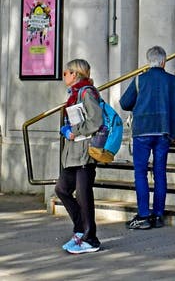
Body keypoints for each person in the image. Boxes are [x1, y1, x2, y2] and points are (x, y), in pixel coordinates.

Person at [120, 45, 175, 230]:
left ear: (148, 60)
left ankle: (143, 215)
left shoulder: (139, 79)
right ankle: (158, 215)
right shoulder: (172, 80)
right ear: (164, 61)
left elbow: (125, 103)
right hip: (164, 130)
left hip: (142, 131)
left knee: (140, 173)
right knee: (160, 173)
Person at [54, 58, 104, 254]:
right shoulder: (74, 93)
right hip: (73, 152)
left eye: (66, 72)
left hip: (84, 151)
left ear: (75, 74)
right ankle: (80, 229)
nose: (64, 75)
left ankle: (91, 238)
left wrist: (74, 130)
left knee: (84, 195)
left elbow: (96, 119)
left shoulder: (86, 92)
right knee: (62, 189)